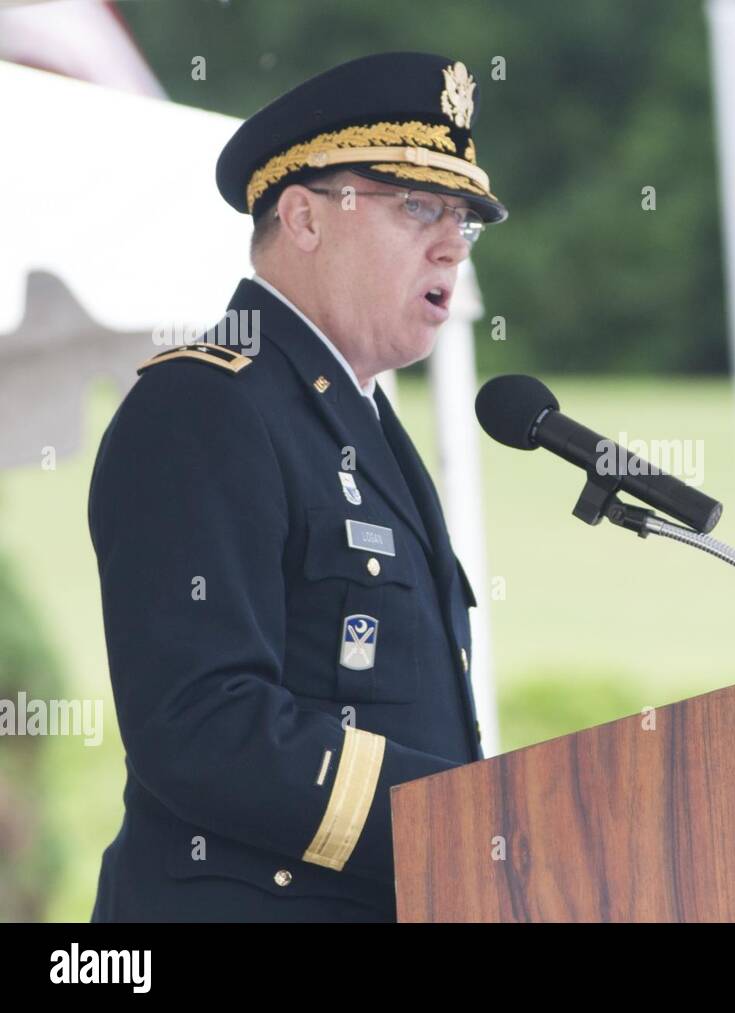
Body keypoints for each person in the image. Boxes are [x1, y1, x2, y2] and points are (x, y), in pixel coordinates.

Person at [88, 51, 506, 922]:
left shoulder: (362, 423)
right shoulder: (203, 405)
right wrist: (470, 821)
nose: (450, 243)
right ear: (305, 218)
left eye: (465, 219)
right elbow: (202, 723)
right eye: (418, 206)